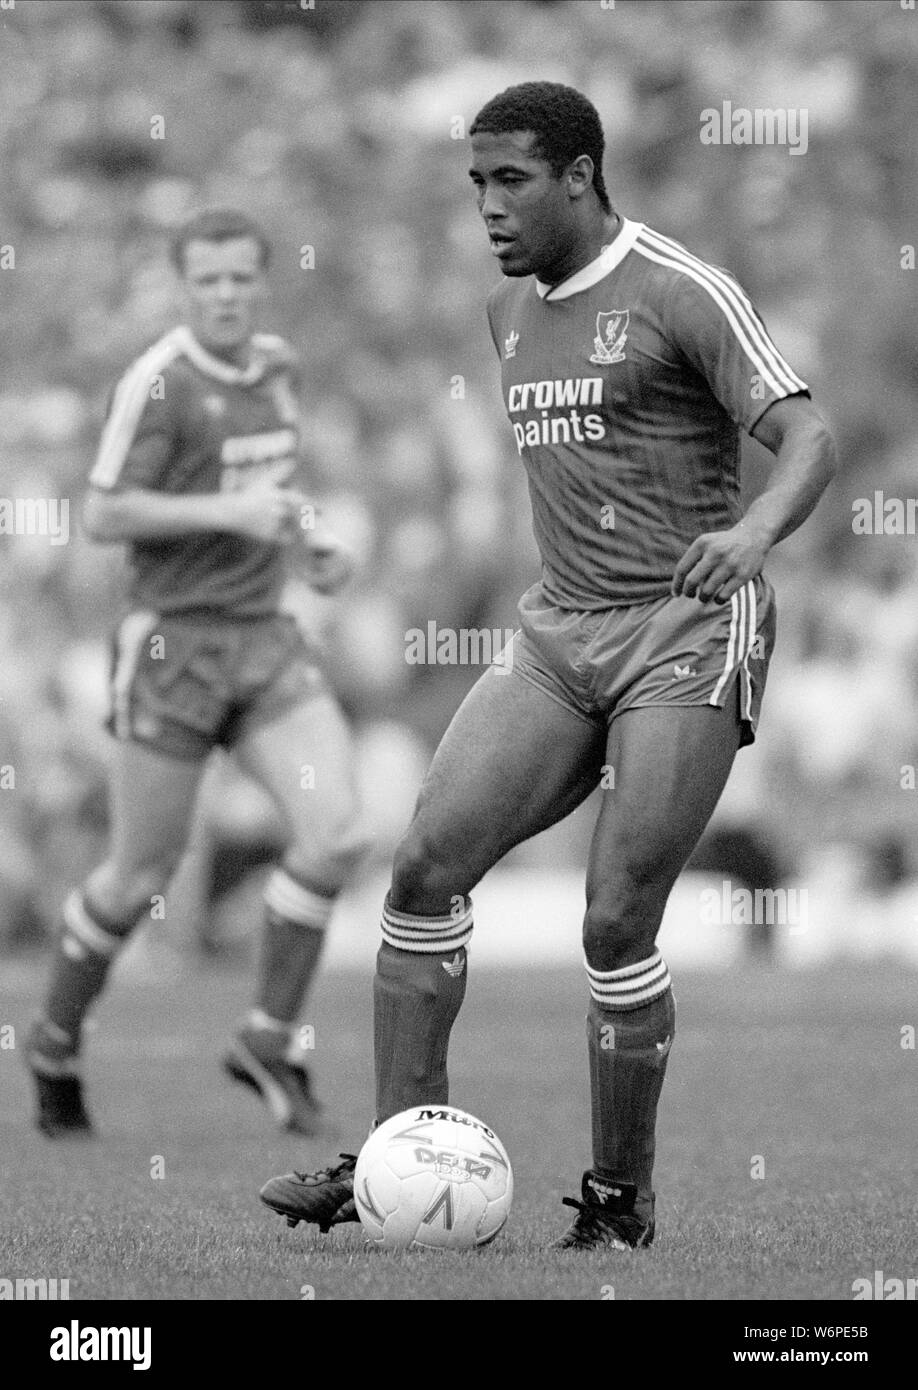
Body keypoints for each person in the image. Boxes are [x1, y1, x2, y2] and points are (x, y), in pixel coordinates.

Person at [260, 82, 835, 1248]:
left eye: (510, 178)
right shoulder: (506, 314)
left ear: (580, 173)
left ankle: (620, 1205)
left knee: (615, 916)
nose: (487, 204)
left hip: (683, 626)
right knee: (422, 869)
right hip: (560, 629)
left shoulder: (682, 288)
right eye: (475, 182)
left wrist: (755, 534)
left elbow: (811, 436)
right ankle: (395, 1157)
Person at [27, 208, 367, 1139]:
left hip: (263, 637)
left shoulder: (280, 368)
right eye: (207, 280)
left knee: (337, 832)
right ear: (184, 287)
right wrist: (236, 513)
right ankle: (54, 1039)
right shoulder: (159, 383)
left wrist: (311, 545)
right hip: (173, 647)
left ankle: (267, 1035)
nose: (225, 294)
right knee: (138, 877)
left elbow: (274, 500)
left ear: (262, 281)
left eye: (240, 278)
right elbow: (102, 515)